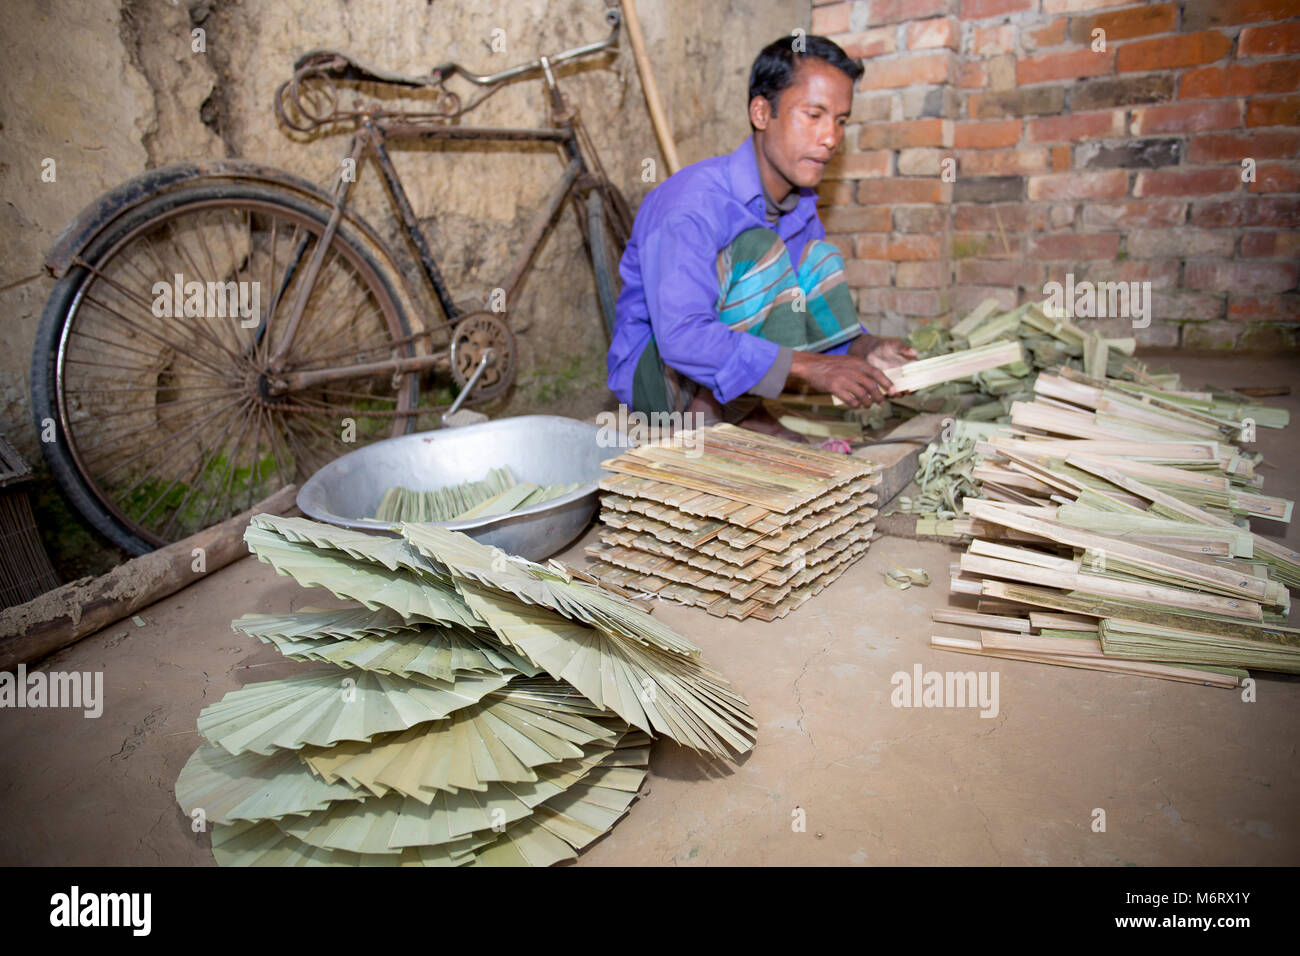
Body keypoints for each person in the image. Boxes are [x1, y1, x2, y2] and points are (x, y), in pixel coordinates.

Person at [606, 33, 917, 438]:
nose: (830, 138)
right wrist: (810, 368)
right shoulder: (691, 204)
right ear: (761, 112)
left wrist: (867, 351)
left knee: (816, 257)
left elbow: (805, 316)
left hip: (723, 378)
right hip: (661, 382)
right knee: (759, 248)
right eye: (814, 114)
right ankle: (711, 417)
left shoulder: (800, 206)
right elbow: (681, 337)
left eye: (841, 121)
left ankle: (741, 411)